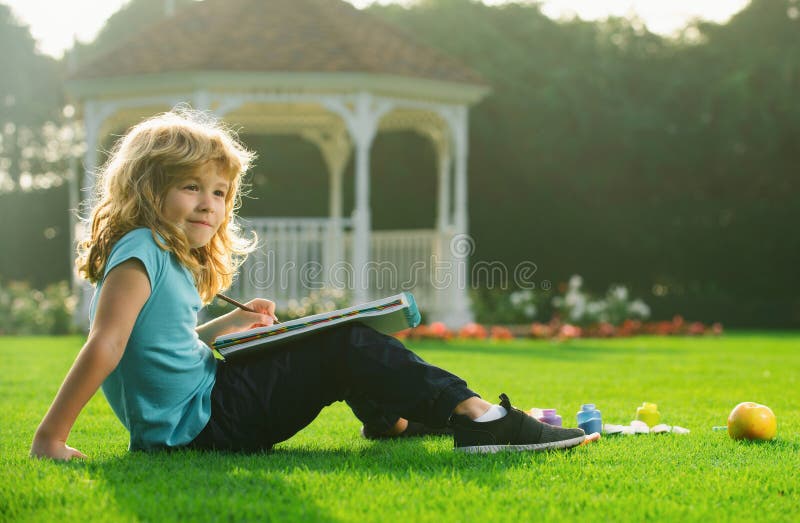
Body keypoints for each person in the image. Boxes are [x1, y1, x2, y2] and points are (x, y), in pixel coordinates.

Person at [30, 109, 587, 460]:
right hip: (203, 426)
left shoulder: (164, 255)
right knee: (340, 343)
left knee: (331, 336)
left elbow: (164, 347)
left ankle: (392, 419)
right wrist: (50, 438)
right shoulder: (141, 251)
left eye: (221, 192)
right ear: (149, 188)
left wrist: (231, 325)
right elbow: (108, 343)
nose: (209, 204)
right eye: (191, 188)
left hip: (202, 410)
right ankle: (479, 417)